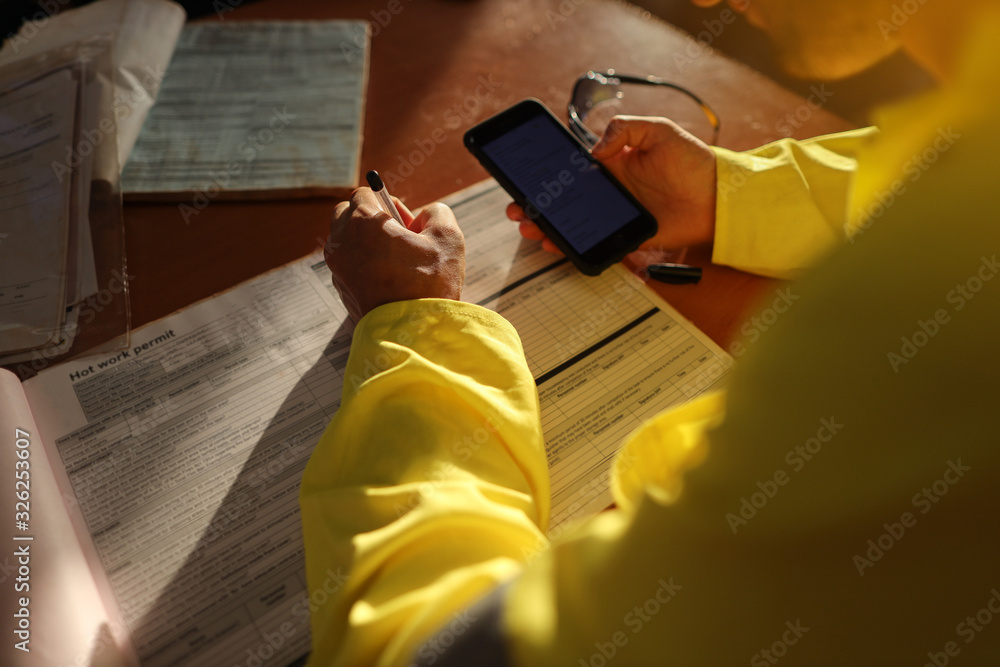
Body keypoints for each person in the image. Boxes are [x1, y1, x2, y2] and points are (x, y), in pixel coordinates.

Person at [301, 0, 1000, 664]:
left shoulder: (935, 303)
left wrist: (417, 330)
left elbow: (450, 649)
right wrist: (729, 195)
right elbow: (933, 171)